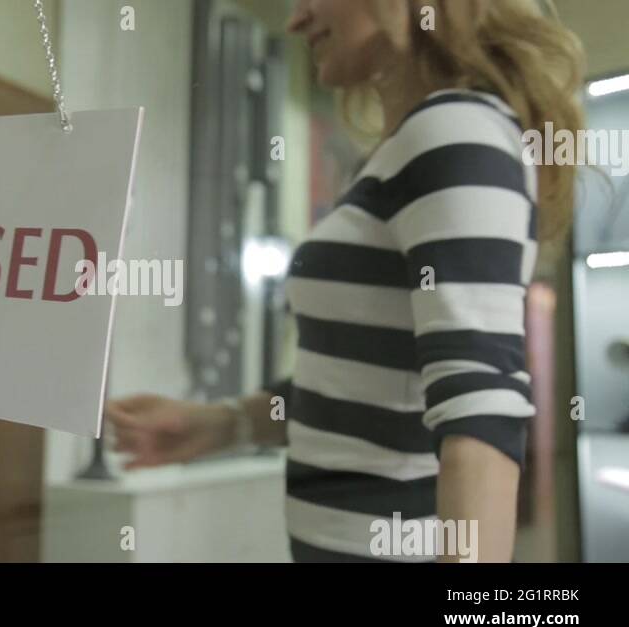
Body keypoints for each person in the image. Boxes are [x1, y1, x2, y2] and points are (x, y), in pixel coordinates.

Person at [106, 0, 585, 562]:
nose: (294, 19)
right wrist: (221, 425)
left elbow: (480, 408)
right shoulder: (404, 150)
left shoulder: (454, 132)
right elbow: (359, 376)